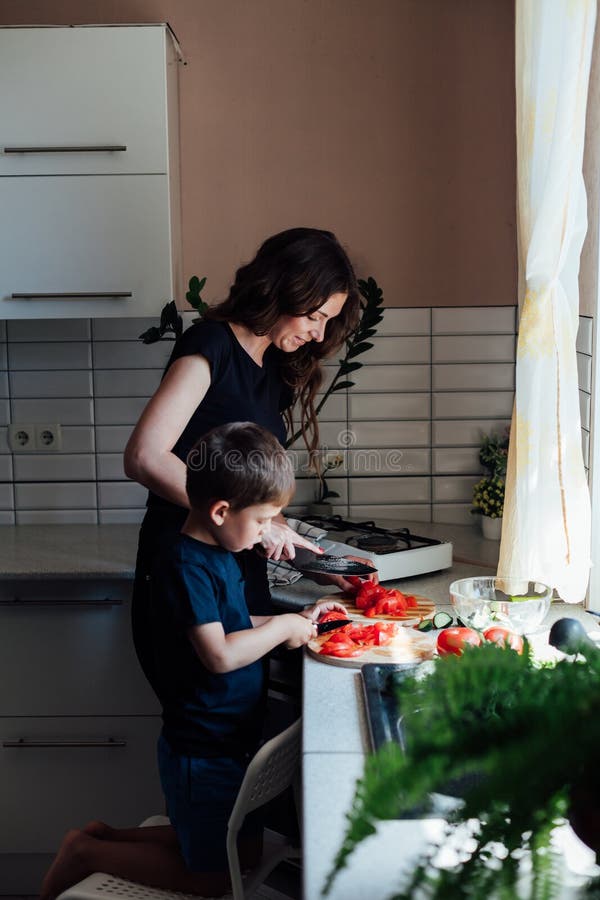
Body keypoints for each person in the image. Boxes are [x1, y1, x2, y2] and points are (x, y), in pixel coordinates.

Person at [40, 422, 347, 900]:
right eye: (264, 521)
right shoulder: (185, 564)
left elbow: (232, 621)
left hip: (228, 738)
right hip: (201, 747)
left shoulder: (219, 549)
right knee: (212, 876)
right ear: (221, 511)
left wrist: (300, 619)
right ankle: (86, 854)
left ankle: (101, 838)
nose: (269, 534)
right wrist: (283, 630)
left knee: (234, 851)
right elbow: (220, 654)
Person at [124, 226, 372, 696]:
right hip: (188, 572)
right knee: (201, 730)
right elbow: (144, 456)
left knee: (237, 727)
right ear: (282, 290)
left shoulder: (274, 370)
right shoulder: (211, 346)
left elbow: (252, 503)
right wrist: (262, 527)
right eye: (315, 316)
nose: (319, 334)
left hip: (239, 578)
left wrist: (319, 564)